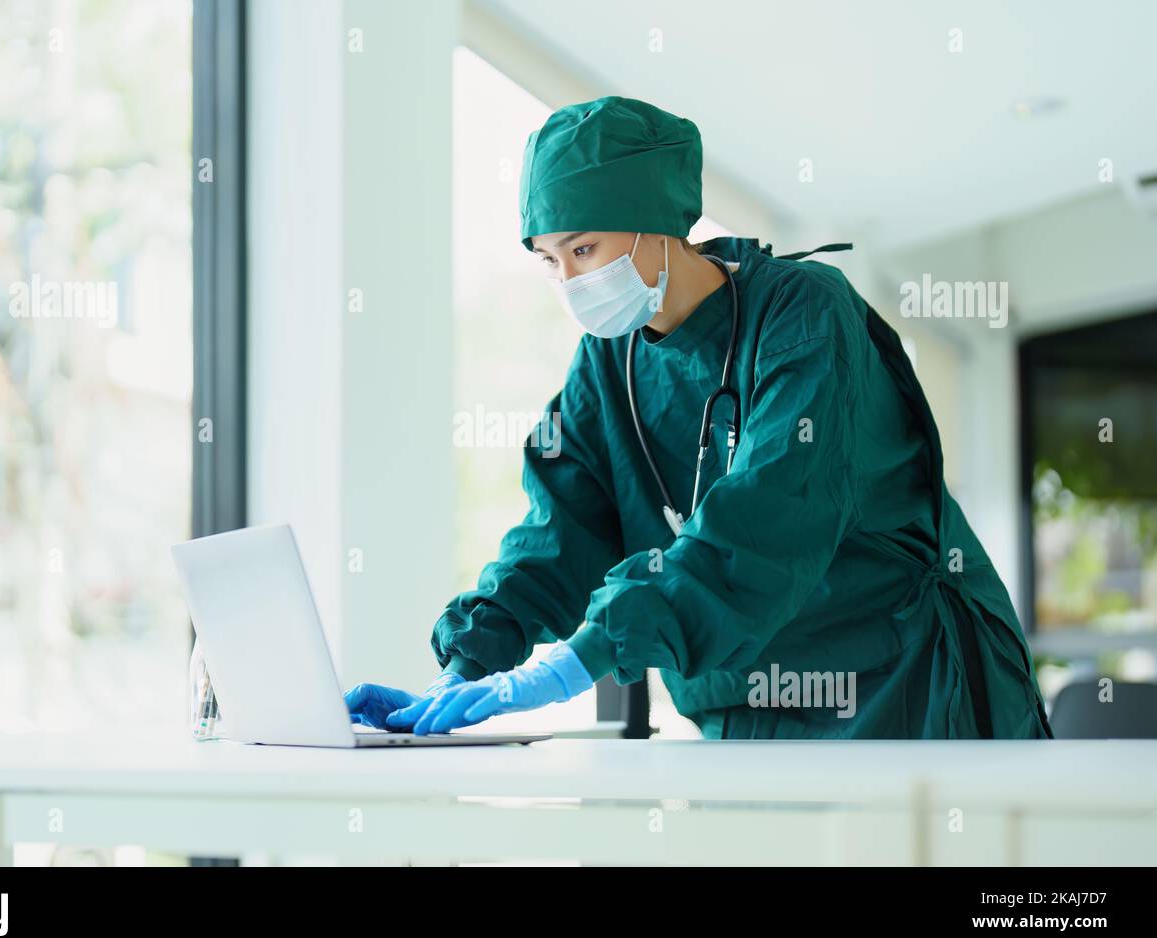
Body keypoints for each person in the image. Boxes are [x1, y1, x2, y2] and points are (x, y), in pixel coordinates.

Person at [345, 95, 1054, 740]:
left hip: (901, 682)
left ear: (659, 222)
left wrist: (572, 665)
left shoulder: (804, 314)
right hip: (745, 706)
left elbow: (767, 519)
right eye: (548, 260)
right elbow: (560, 531)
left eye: (584, 249)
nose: (569, 283)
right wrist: (471, 661)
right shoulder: (611, 362)